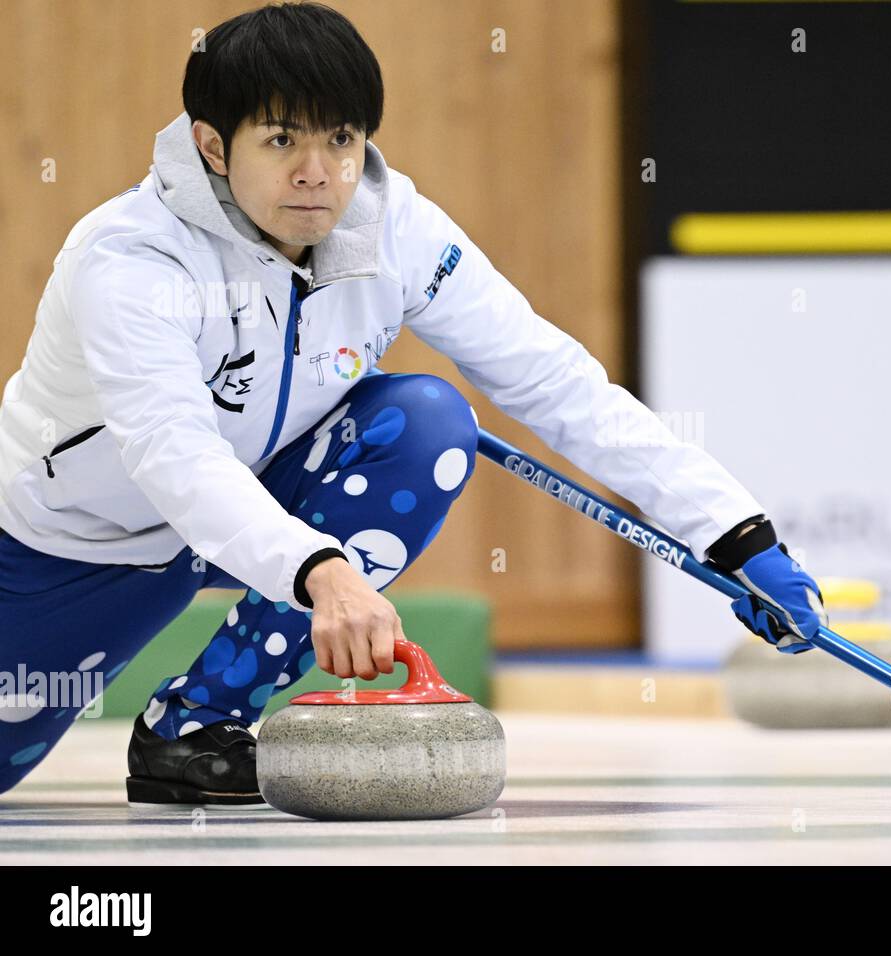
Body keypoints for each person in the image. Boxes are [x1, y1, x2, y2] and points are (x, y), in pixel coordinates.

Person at [0, 1, 827, 806]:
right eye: (282, 139)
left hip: (261, 506)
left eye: (342, 138)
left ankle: (197, 726)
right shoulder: (133, 259)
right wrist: (323, 572)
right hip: (69, 548)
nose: (317, 173)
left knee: (428, 424)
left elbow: (553, 378)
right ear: (214, 146)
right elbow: (171, 452)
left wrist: (735, 533)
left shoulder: (396, 232)